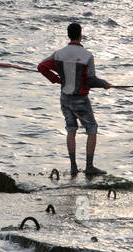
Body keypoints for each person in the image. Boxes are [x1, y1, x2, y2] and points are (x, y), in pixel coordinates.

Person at [37, 21, 113, 178]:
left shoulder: (59, 54)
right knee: (92, 128)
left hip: (64, 98)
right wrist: (104, 84)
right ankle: (89, 166)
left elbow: (42, 67)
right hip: (80, 99)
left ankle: (73, 167)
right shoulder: (87, 56)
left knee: (71, 130)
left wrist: (56, 79)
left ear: (68, 35)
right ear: (80, 35)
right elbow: (91, 80)